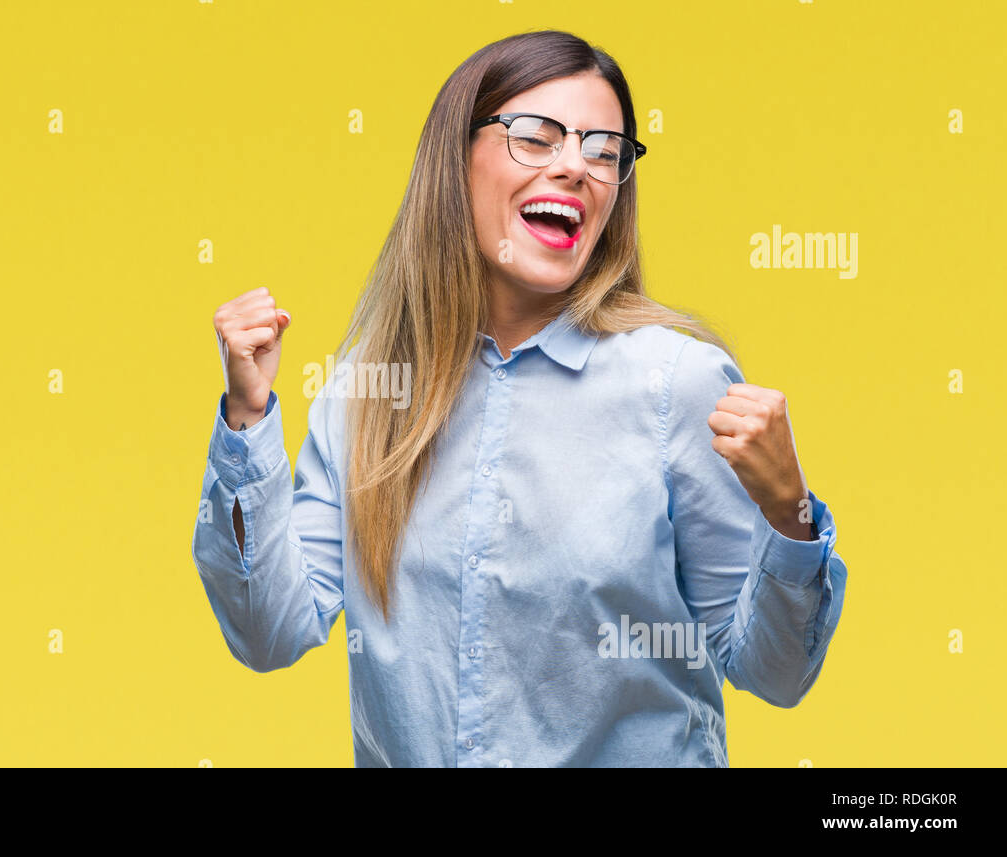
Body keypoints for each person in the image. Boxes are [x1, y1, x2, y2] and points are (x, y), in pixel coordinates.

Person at [192, 29, 847, 767]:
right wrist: (247, 420)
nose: (576, 167)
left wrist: (789, 512)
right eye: (536, 137)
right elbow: (269, 632)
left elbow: (775, 671)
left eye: (604, 151)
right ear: (455, 162)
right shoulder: (367, 397)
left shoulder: (676, 384)